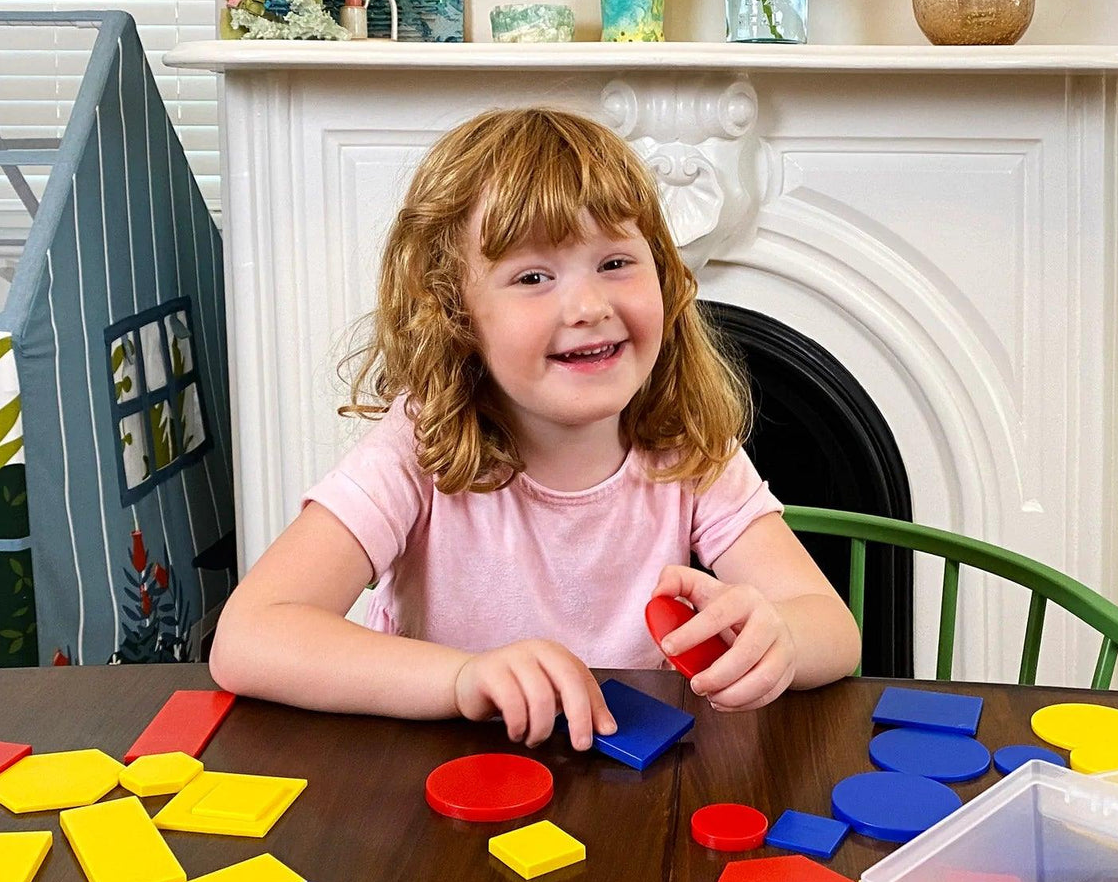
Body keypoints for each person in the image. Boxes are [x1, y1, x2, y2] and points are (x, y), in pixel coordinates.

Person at [210, 107, 861, 752]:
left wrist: (778, 637)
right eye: (532, 277)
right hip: (451, 782)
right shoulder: (415, 453)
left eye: (615, 264)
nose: (588, 306)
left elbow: (832, 628)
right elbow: (249, 638)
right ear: (456, 315)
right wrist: (464, 678)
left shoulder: (687, 449)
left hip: (631, 790)